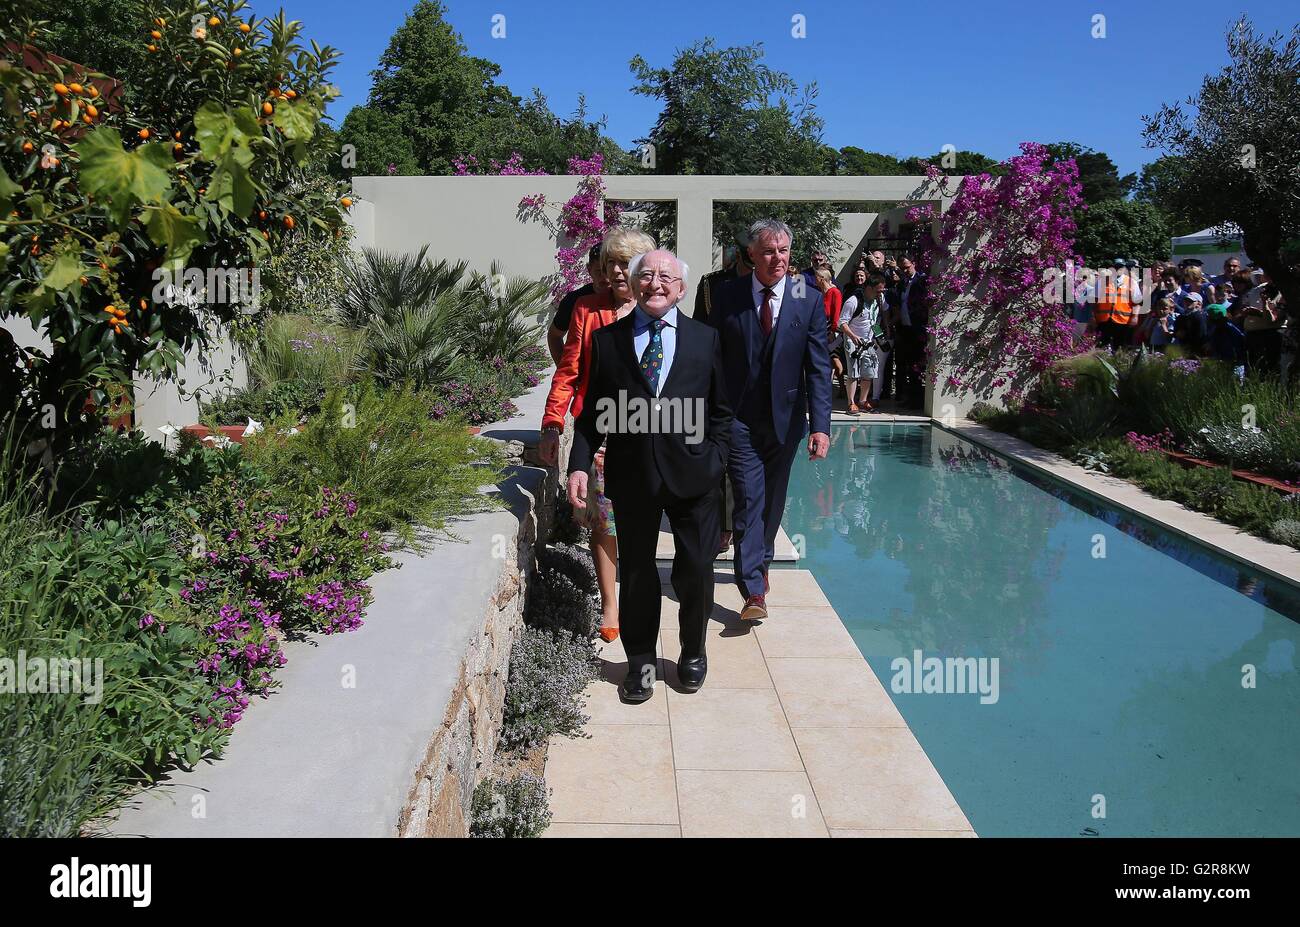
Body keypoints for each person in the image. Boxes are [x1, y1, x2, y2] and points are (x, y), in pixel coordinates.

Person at [566, 249, 733, 703]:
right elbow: (592, 415)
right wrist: (579, 463)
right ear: (634, 284)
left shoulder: (706, 339)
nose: (655, 283)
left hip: (696, 475)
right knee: (638, 571)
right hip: (633, 475)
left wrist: (716, 458)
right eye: (647, 275)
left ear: (680, 288)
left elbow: (722, 412)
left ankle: (693, 652)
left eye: (666, 276)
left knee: (696, 569)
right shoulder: (609, 341)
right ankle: (639, 660)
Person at [706, 218, 832, 622]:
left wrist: (820, 426)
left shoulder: (807, 297)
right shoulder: (728, 296)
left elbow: (817, 368)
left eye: (783, 251)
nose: (777, 259)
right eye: (768, 252)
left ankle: (759, 564)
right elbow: (711, 356)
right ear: (751, 255)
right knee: (747, 497)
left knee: (773, 501)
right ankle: (754, 589)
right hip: (739, 419)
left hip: (787, 420)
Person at [540, 227, 657, 642]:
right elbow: (568, 371)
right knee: (603, 522)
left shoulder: (660, 310)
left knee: (641, 521)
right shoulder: (587, 309)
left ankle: (641, 594)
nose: (619, 272)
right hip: (603, 433)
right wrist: (553, 424)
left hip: (651, 433)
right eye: (612, 264)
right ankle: (611, 604)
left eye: (627, 264)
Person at [547, 246, 606, 365]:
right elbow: (554, 336)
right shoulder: (575, 301)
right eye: (599, 272)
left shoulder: (626, 298)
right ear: (589, 270)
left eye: (608, 270)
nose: (605, 277)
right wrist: (564, 369)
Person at [840, 272, 887, 413]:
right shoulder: (853, 301)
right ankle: (851, 402)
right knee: (853, 372)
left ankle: (863, 401)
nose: (880, 293)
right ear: (869, 288)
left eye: (882, 291)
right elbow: (842, 323)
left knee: (869, 372)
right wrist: (853, 336)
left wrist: (881, 336)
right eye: (878, 291)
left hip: (869, 341)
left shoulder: (879, 300)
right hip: (853, 340)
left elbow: (875, 320)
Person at [893, 256, 929, 407]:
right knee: (907, 364)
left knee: (917, 365)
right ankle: (909, 397)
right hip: (905, 329)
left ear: (914, 264)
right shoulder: (902, 283)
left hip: (917, 329)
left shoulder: (921, 280)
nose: (905, 270)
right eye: (903, 268)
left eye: (907, 267)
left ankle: (917, 399)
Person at [694, 235, 751, 322]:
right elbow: (699, 324)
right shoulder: (712, 283)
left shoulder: (768, 283)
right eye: (749, 267)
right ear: (738, 254)